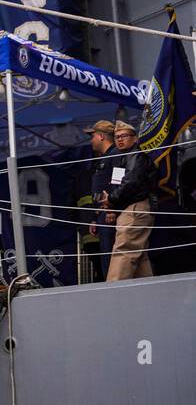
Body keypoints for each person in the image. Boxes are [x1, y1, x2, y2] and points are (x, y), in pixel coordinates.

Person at [104, 120, 157, 281]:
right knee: (139, 255)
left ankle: (113, 293)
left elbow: (131, 183)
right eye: (116, 137)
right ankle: (147, 292)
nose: (119, 139)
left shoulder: (136, 155)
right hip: (131, 208)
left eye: (124, 136)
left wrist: (111, 199)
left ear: (135, 138)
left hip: (135, 208)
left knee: (125, 250)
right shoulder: (126, 157)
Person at [83, 119, 119, 282]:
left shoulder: (116, 155)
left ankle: (114, 294)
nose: (91, 140)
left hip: (110, 214)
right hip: (102, 214)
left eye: (93, 136)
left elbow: (118, 182)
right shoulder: (106, 157)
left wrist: (112, 209)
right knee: (106, 257)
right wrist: (95, 217)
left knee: (110, 259)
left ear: (101, 136)